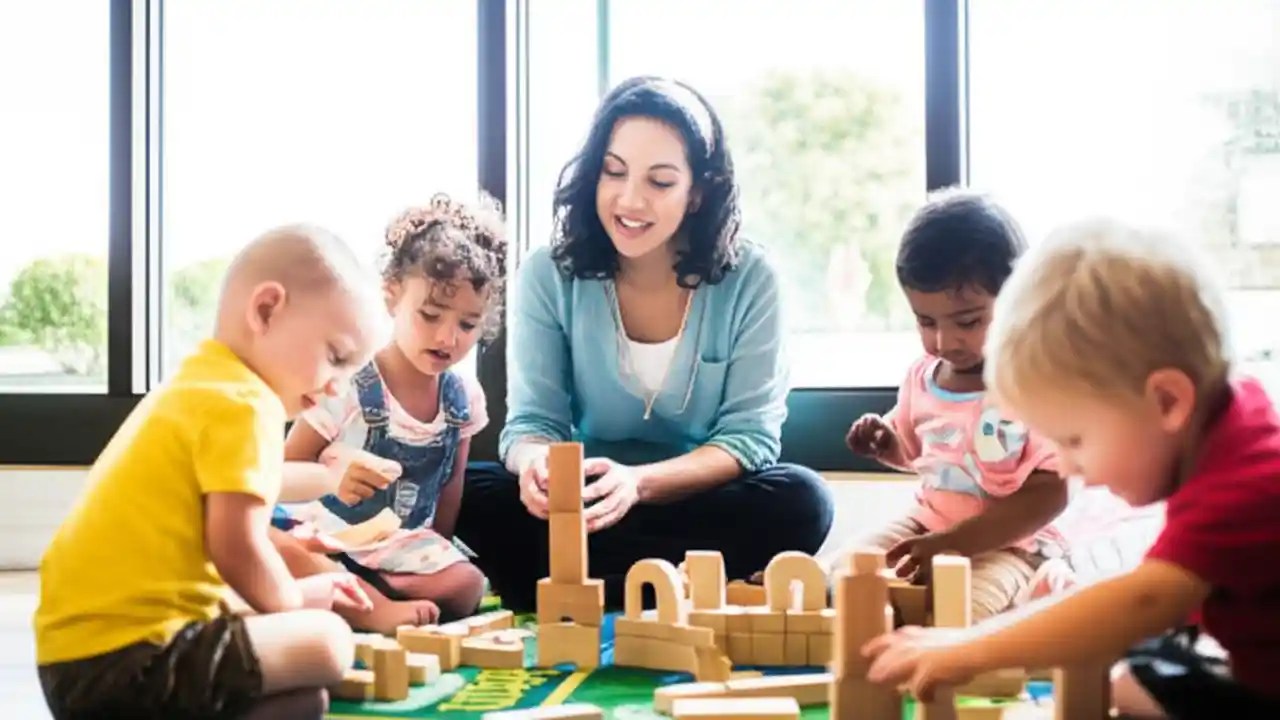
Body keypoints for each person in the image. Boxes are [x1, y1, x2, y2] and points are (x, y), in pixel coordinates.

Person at [862, 218, 1280, 717]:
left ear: (1167, 401)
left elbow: (1144, 601)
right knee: (1128, 678)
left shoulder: (1248, 486)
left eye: (1075, 440)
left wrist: (964, 649)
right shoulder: (1234, 421)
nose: (1065, 465)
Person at [457, 76, 834, 611]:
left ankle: (571, 586)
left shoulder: (752, 278)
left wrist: (638, 484)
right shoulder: (547, 273)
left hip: (692, 496)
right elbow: (530, 424)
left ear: (697, 191)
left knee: (802, 500)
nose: (629, 200)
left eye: (660, 182)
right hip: (581, 503)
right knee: (470, 495)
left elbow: (749, 439)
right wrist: (536, 468)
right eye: (614, 172)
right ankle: (667, 586)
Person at [34, 226, 385, 719]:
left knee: (305, 701)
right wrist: (294, 604)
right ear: (265, 310)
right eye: (336, 357)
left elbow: (196, 572)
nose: (336, 388)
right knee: (328, 642)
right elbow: (236, 547)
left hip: (76, 667)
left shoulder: (198, 383)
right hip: (134, 660)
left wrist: (302, 592)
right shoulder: (245, 403)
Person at [838, 190, 1072, 621]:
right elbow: (916, 453)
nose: (944, 342)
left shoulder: (1035, 383)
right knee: (843, 579)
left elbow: (1050, 493)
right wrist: (883, 442)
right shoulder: (923, 377)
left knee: (960, 617)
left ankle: (1031, 601)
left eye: (968, 322)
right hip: (927, 525)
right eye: (926, 322)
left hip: (1012, 547)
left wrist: (957, 544)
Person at [272, 194, 501, 633]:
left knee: (467, 585)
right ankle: (363, 597)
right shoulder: (350, 384)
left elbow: (451, 483)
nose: (447, 337)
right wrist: (336, 471)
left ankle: (363, 592)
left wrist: (439, 549)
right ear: (392, 296)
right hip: (328, 533)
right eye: (430, 315)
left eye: (467, 325)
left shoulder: (462, 399)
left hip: (398, 547)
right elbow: (284, 469)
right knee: (281, 548)